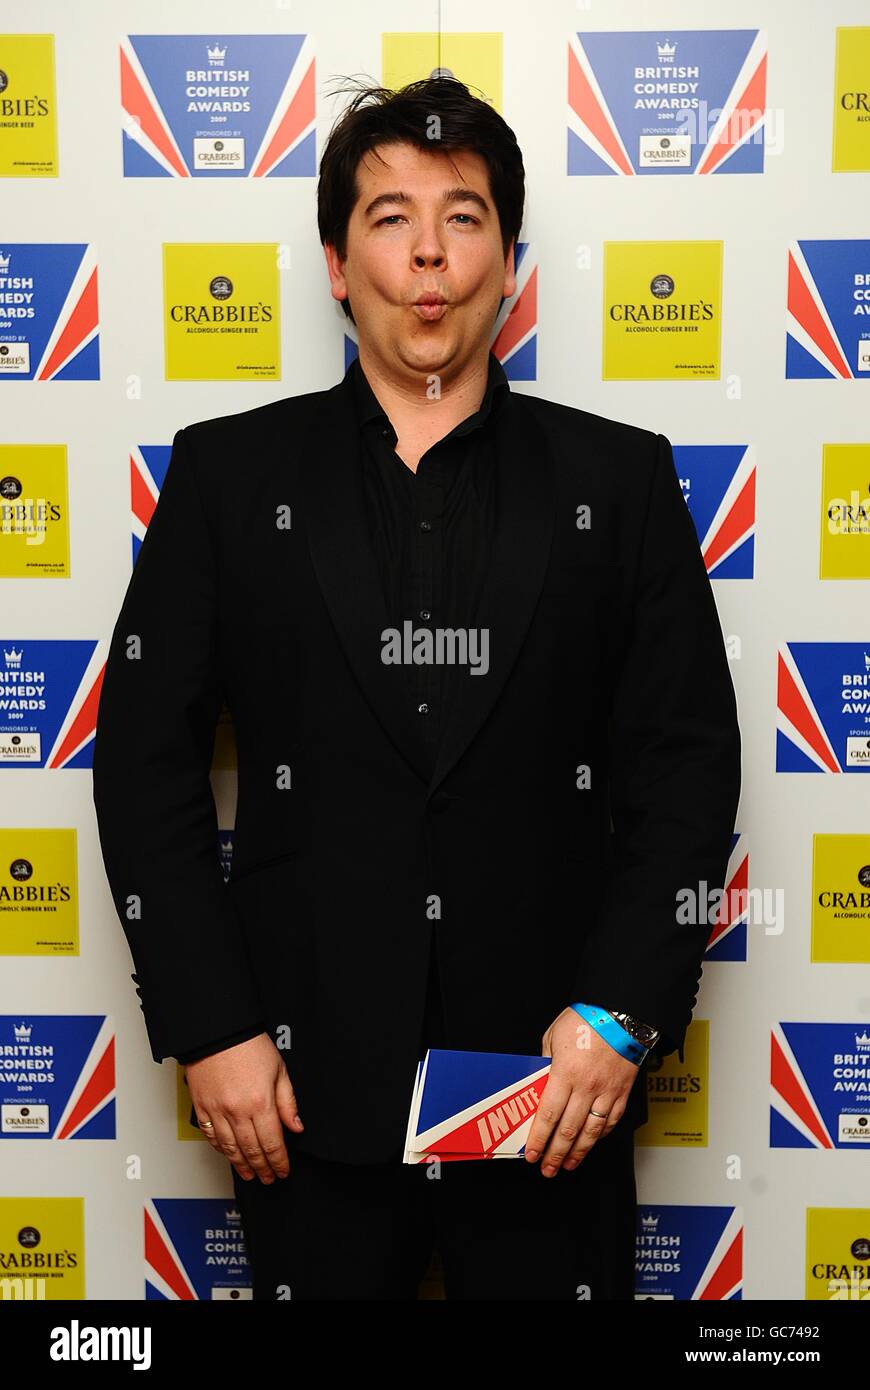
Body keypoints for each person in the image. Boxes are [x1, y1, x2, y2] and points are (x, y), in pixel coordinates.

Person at [92, 76, 741, 1300]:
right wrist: (216, 1027)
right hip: (299, 1094)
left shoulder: (625, 480)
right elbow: (143, 765)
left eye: (464, 214)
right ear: (338, 263)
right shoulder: (228, 480)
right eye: (390, 217)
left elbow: (689, 766)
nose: (429, 252)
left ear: (510, 259)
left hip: (556, 1098)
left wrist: (617, 1013)